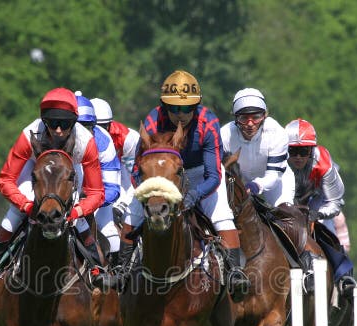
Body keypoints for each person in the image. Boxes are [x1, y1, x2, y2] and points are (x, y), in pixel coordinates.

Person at [118, 70, 250, 301]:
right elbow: (138, 169)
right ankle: (121, 271)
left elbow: (213, 175)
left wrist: (193, 196)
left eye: (187, 109)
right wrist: (147, 191)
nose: (180, 115)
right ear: (163, 106)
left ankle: (234, 273)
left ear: (196, 106)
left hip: (200, 176)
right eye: (174, 108)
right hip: (160, 175)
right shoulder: (151, 122)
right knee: (132, 214)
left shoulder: (209, 123)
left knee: (221, 216)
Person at [0, 88, 106, 284]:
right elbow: (6, 180)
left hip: (68, 168)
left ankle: (96, 269)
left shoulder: (86, 142)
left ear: (74, 122)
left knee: (78, 215)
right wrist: (26, 206)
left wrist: (77, 212)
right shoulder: (29, 135)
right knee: (17, 211)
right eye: (52, 124)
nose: (59, 130)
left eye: (65, 124)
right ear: (44, 122)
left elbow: (96, 192)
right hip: (36, 167)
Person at [284, 117, 356, 295]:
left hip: (317, 199)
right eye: (293, 151)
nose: (299, 157)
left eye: (304, 151)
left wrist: (317, 215)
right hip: (286, 198)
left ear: (312, 149)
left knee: (326, 229)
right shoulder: (277, 157)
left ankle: (343, 275)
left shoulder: (322, 162)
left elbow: (335, 202)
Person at [73, 93, 123, 272]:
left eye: (87, 127)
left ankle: (117, 281)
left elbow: (112, 189)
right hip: (62, 197)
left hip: (96, 199)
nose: (82, 134)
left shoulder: (103, 141)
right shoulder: (57, 135)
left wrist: (89, 202)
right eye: (77, 127)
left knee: (112, 237)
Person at [220, 88, 288, 206]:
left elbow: (273, 176)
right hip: (238, 183)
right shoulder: (224, 135)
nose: (250, 124)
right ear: (236, 118)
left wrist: (256, 185)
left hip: (275, 182)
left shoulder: (278, 133)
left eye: (256, 117)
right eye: (244, 118)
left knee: (285, 213)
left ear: (265, 116)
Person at [91, 97, 140, 230]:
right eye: (93, 127)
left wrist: (121, 206)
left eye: (103, 127)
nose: (99, 132)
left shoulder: (128, 139)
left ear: (110, 124)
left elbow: (136, 180)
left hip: (123, 184)